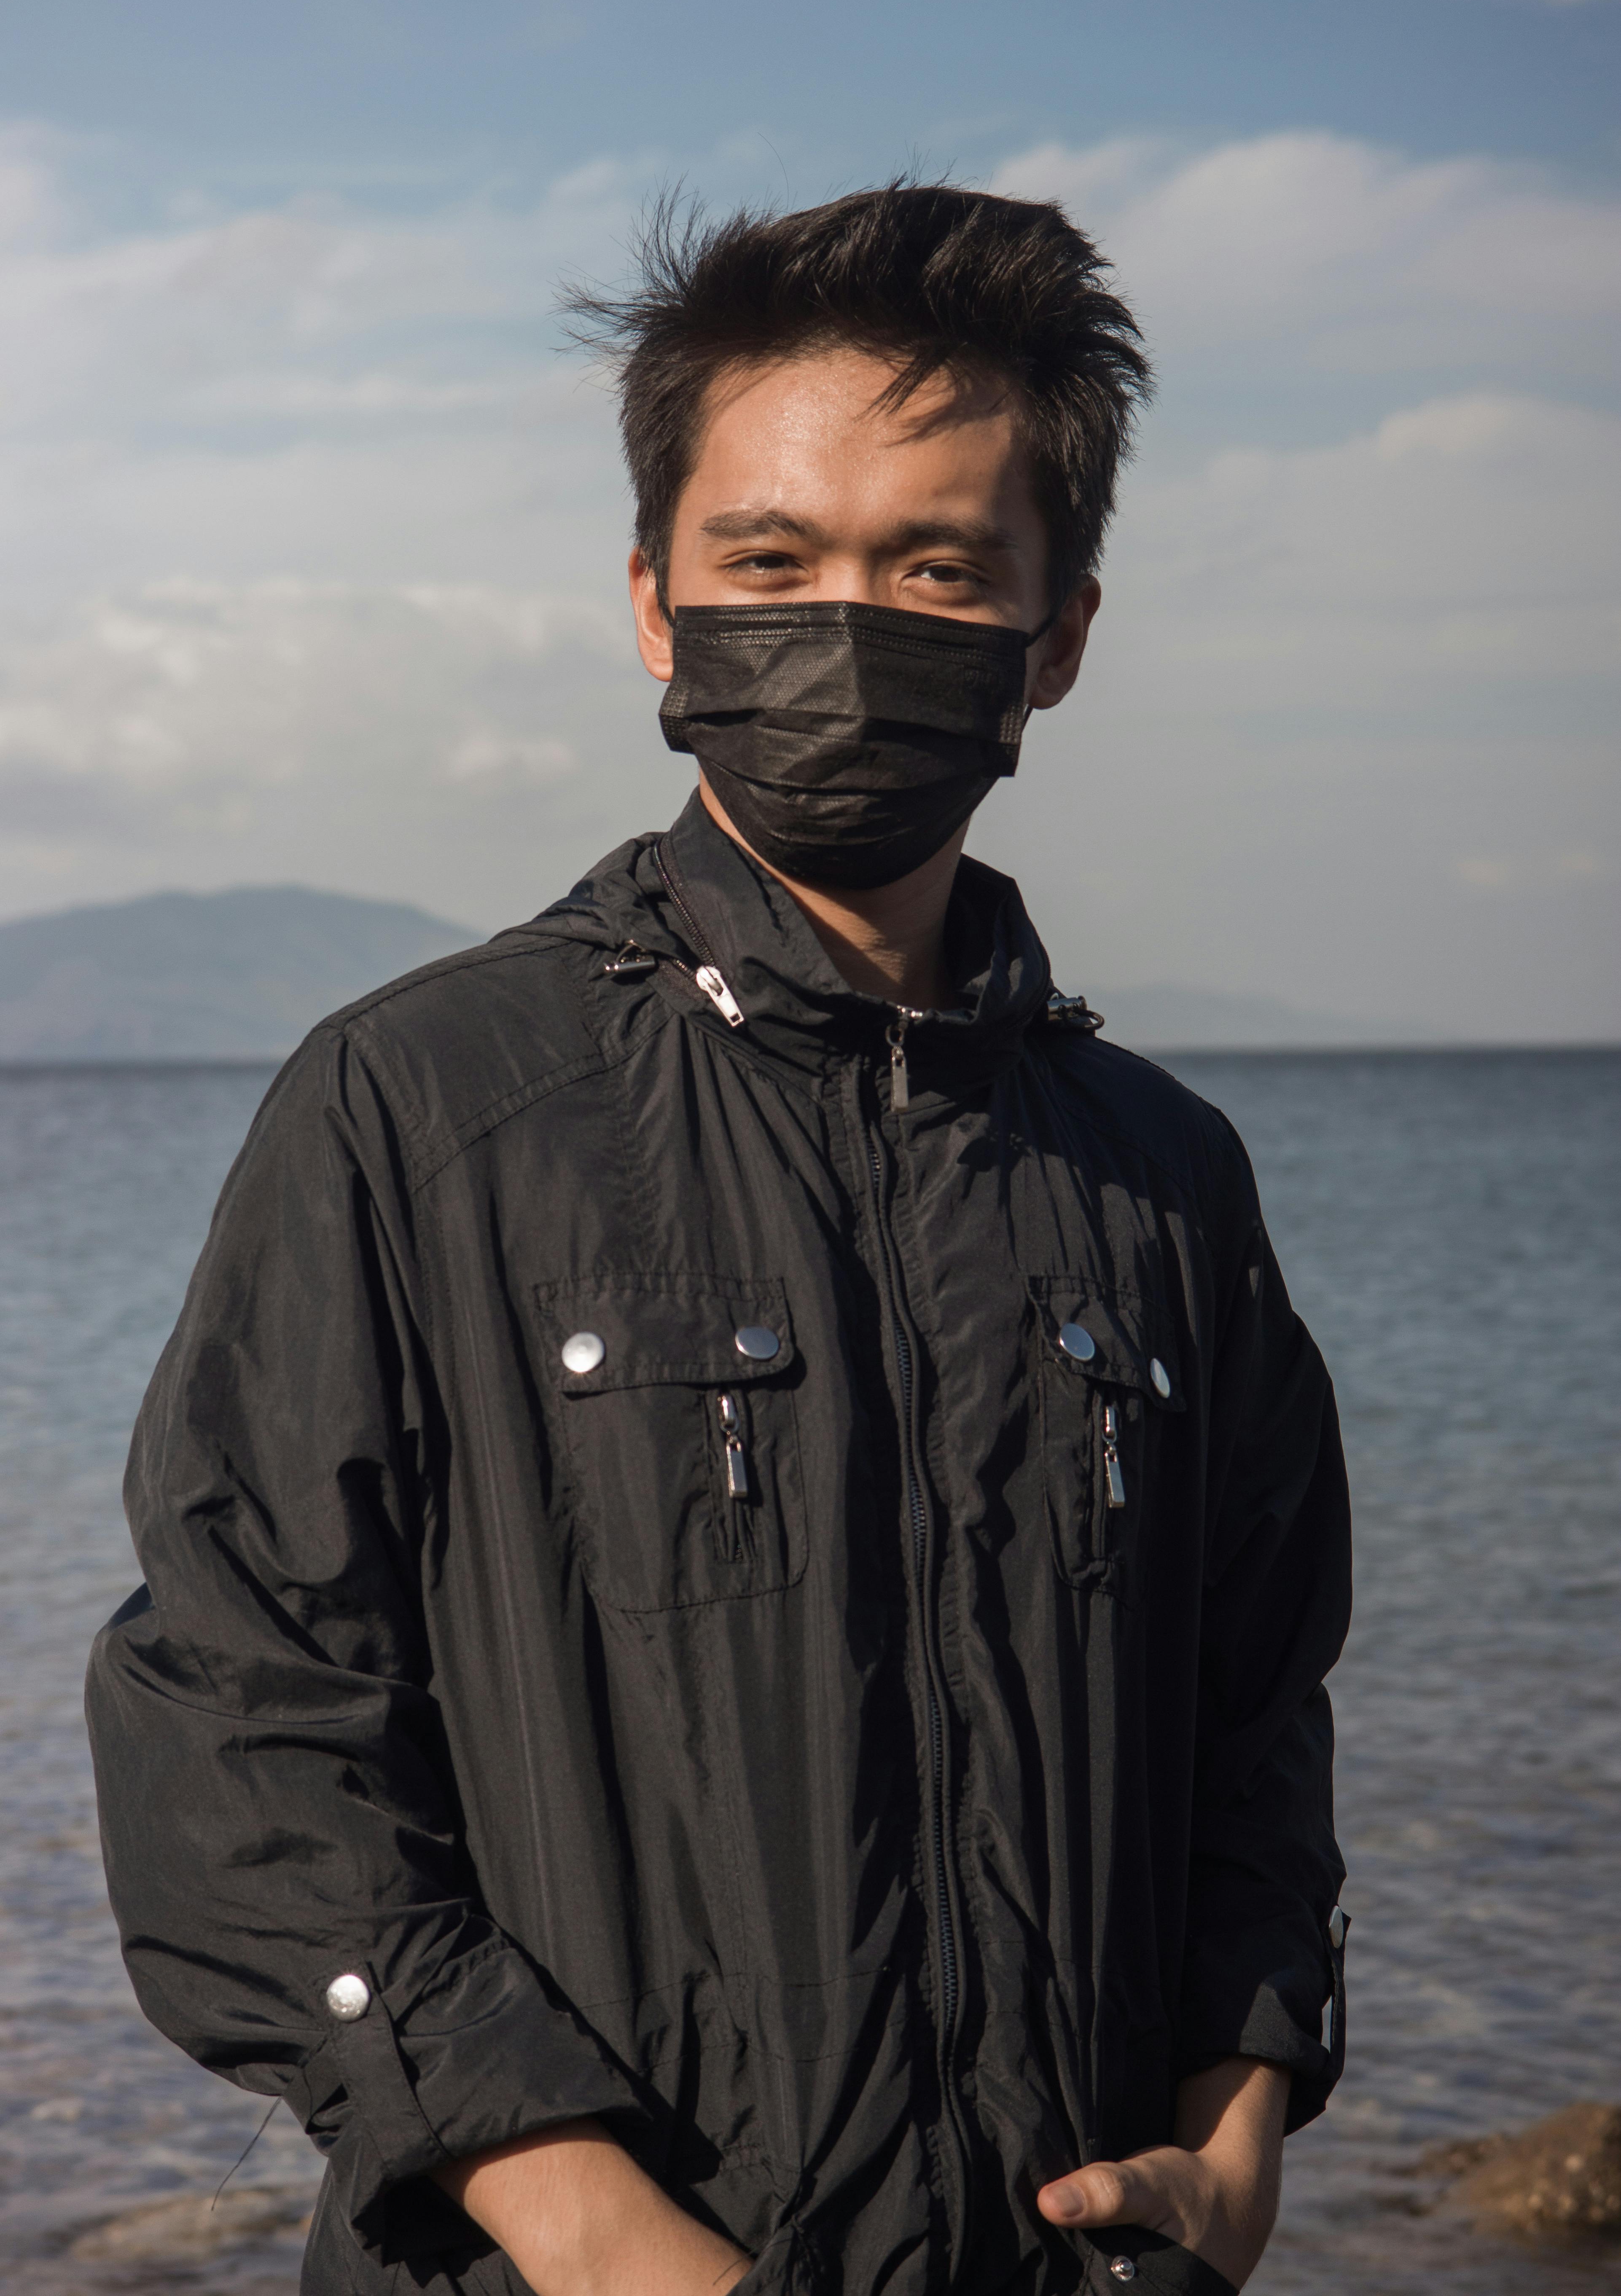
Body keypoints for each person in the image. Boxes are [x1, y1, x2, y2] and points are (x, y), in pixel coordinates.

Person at [87, 183, 1351, 2296]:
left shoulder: (1159, 1172)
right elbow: (243, 1714)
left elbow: (1256, 1704)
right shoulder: (421, 1108)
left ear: (1054, 637)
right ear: (661, 608)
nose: (838, 623)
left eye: (934, 566)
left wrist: (1237, 2135)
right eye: (769, 562)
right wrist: (578, 2220)